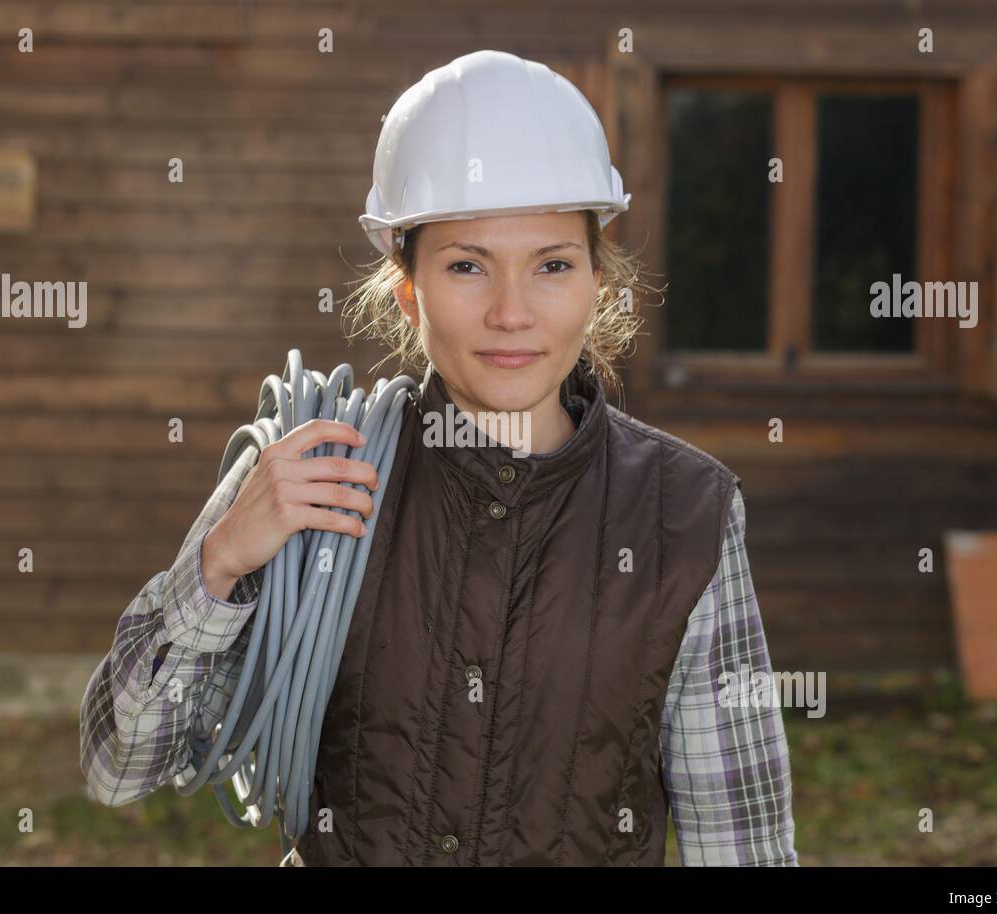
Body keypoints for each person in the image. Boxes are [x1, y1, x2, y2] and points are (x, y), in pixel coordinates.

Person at [79, 49, 798, 867]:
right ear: (407, 289)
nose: (512, 313)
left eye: (553, 266)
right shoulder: (307, 476)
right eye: (466, 267)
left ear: (600, 281)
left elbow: (742, 844)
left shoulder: (685, 512)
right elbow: (119, 765)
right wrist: (217, 569)